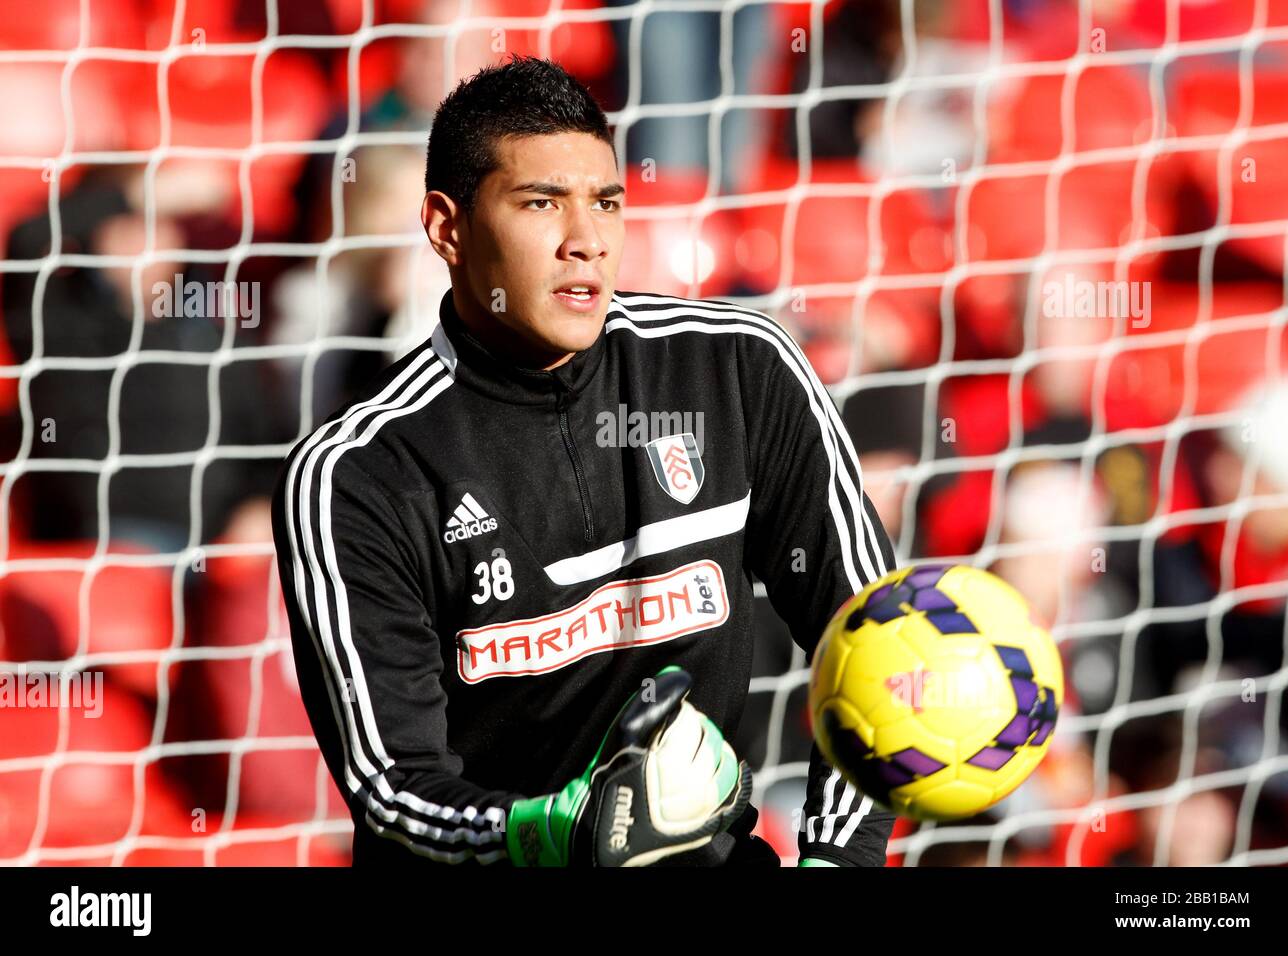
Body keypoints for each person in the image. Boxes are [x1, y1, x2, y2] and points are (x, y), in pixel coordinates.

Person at [271, 55, 896, 867]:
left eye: (606, 203)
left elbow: (881, 646)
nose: (586, 242)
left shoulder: (739, 371)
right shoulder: (356, 473)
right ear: (445, 227)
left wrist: (837, 862)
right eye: (541, 203)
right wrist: (553, 828)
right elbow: (394, 788)